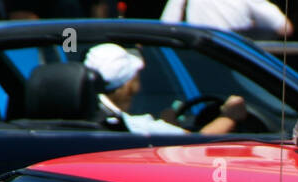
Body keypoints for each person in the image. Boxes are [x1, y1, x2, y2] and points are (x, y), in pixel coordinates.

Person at [83, 43, 247, 135]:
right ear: (129, 86)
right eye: (137, 78)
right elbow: (196, 143)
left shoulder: (72, 118)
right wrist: (229, 117)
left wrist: (168, 125)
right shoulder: (132, 126)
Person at [160, 0, 294, 38]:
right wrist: (254, 26)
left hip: (194, 67)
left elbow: (166, 29)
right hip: (231, 62)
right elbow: (285, 28)